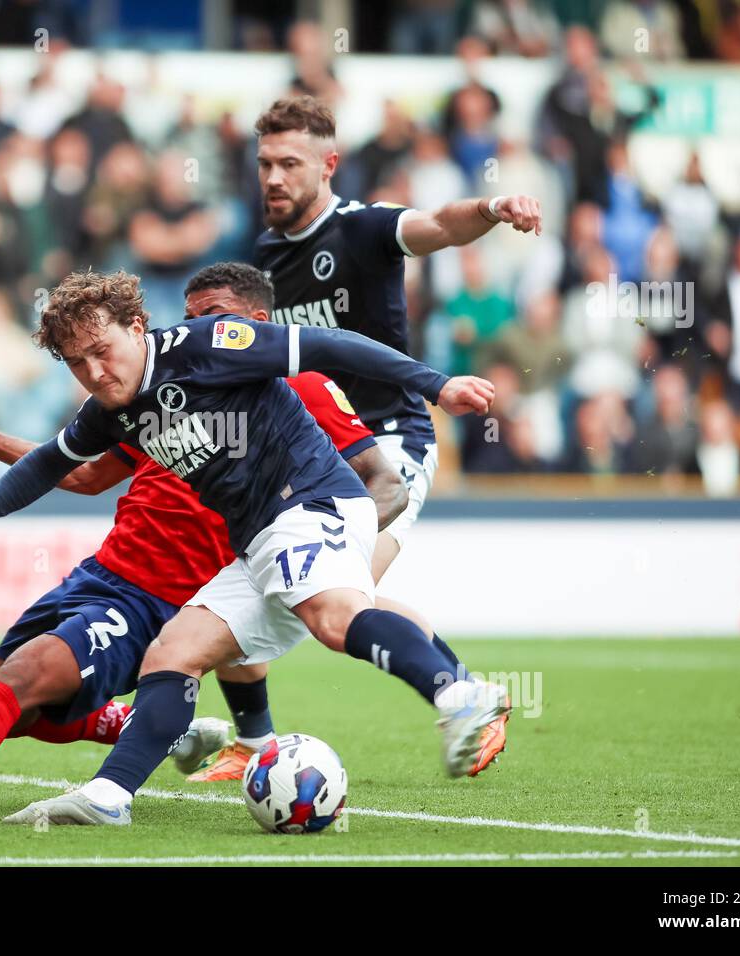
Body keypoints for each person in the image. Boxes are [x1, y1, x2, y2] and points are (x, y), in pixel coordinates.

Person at [0, 266, 498, 827]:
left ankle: (459, 695)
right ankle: (110, 796)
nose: (94, 371)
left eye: (102, 350)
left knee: (335, 619)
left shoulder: (206, 347)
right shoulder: (112, 409)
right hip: (255, 541)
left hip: (309, 502)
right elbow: (53, 464)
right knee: (174, 652)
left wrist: (436, 385)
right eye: (76, 361)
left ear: (138, 329)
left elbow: (331, 347)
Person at [191, 95, 540, 780]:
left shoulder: (365, 229)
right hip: (307, 452)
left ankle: (462, 695)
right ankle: (263, 742)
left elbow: (439, 223)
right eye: (264, 163)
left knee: (330, 596)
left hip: (386, 448)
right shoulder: (263, 255)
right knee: (265, 580)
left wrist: (493, 210)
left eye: (289, 163)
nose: (273, 177)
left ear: (328, 165)